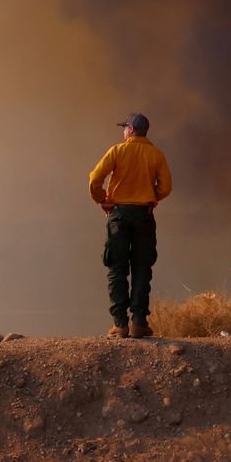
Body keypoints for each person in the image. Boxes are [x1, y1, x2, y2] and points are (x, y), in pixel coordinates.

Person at [88, 112, 172, 338]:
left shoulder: (117, 151)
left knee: (117, 268)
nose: (123, 131)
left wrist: (102, 200)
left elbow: (95, 179)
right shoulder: (156, 155)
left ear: (131, 130)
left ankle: (120, 324)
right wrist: (150, 197)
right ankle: (138, 323)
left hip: (119, 215)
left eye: (125, 128)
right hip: (144, 216)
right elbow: (165, 187)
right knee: (142, 268)